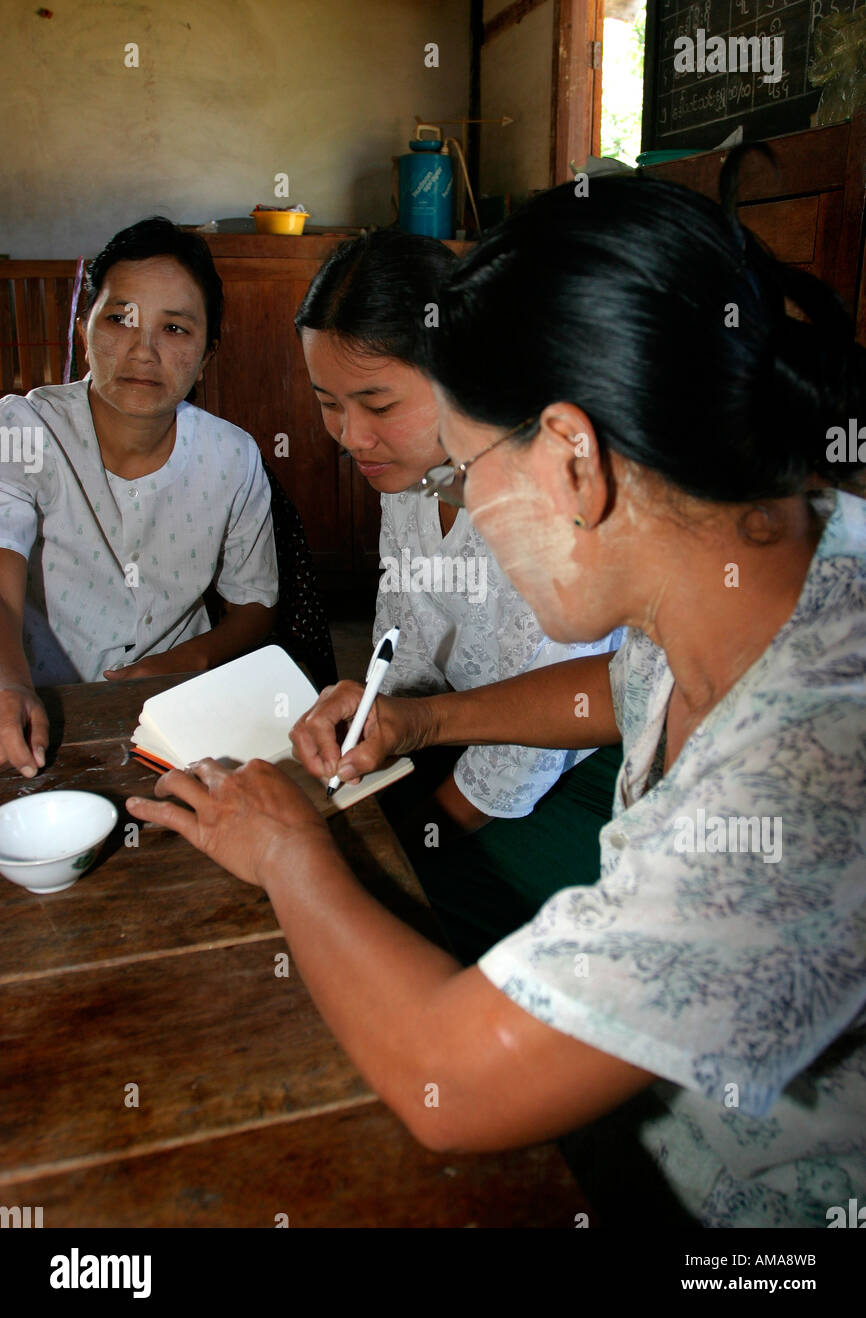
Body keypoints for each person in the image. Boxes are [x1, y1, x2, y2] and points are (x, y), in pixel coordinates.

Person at [127, 165, 866, 1227]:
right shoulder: (762, 553)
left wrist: (293, 848)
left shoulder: (805, 771)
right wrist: (420, 719)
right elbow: (616, 689)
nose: (460, 498)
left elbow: (456, 1083)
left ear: (570, 457)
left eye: (468, 463)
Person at [293, 228, 623, 960]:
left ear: (461, 370)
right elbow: (400, 632)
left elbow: (546, 728)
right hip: (454, 733)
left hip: (576, 767)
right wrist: (375, 720)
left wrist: (413, 830)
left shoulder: (536, 487)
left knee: (404, 916)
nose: (352, 437)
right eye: (328, 404)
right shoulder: (411, 469)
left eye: (378, 403)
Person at [0, 217, 278, 778]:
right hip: (42, 707)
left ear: (207, 354)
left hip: (182, 714)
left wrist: (185, 661)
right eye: (120, 319)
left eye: (175, 329)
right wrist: (9, 683)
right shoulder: (23, 430)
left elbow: (255, 603)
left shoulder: (233, 456)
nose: (142, 350)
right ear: (84, 329)